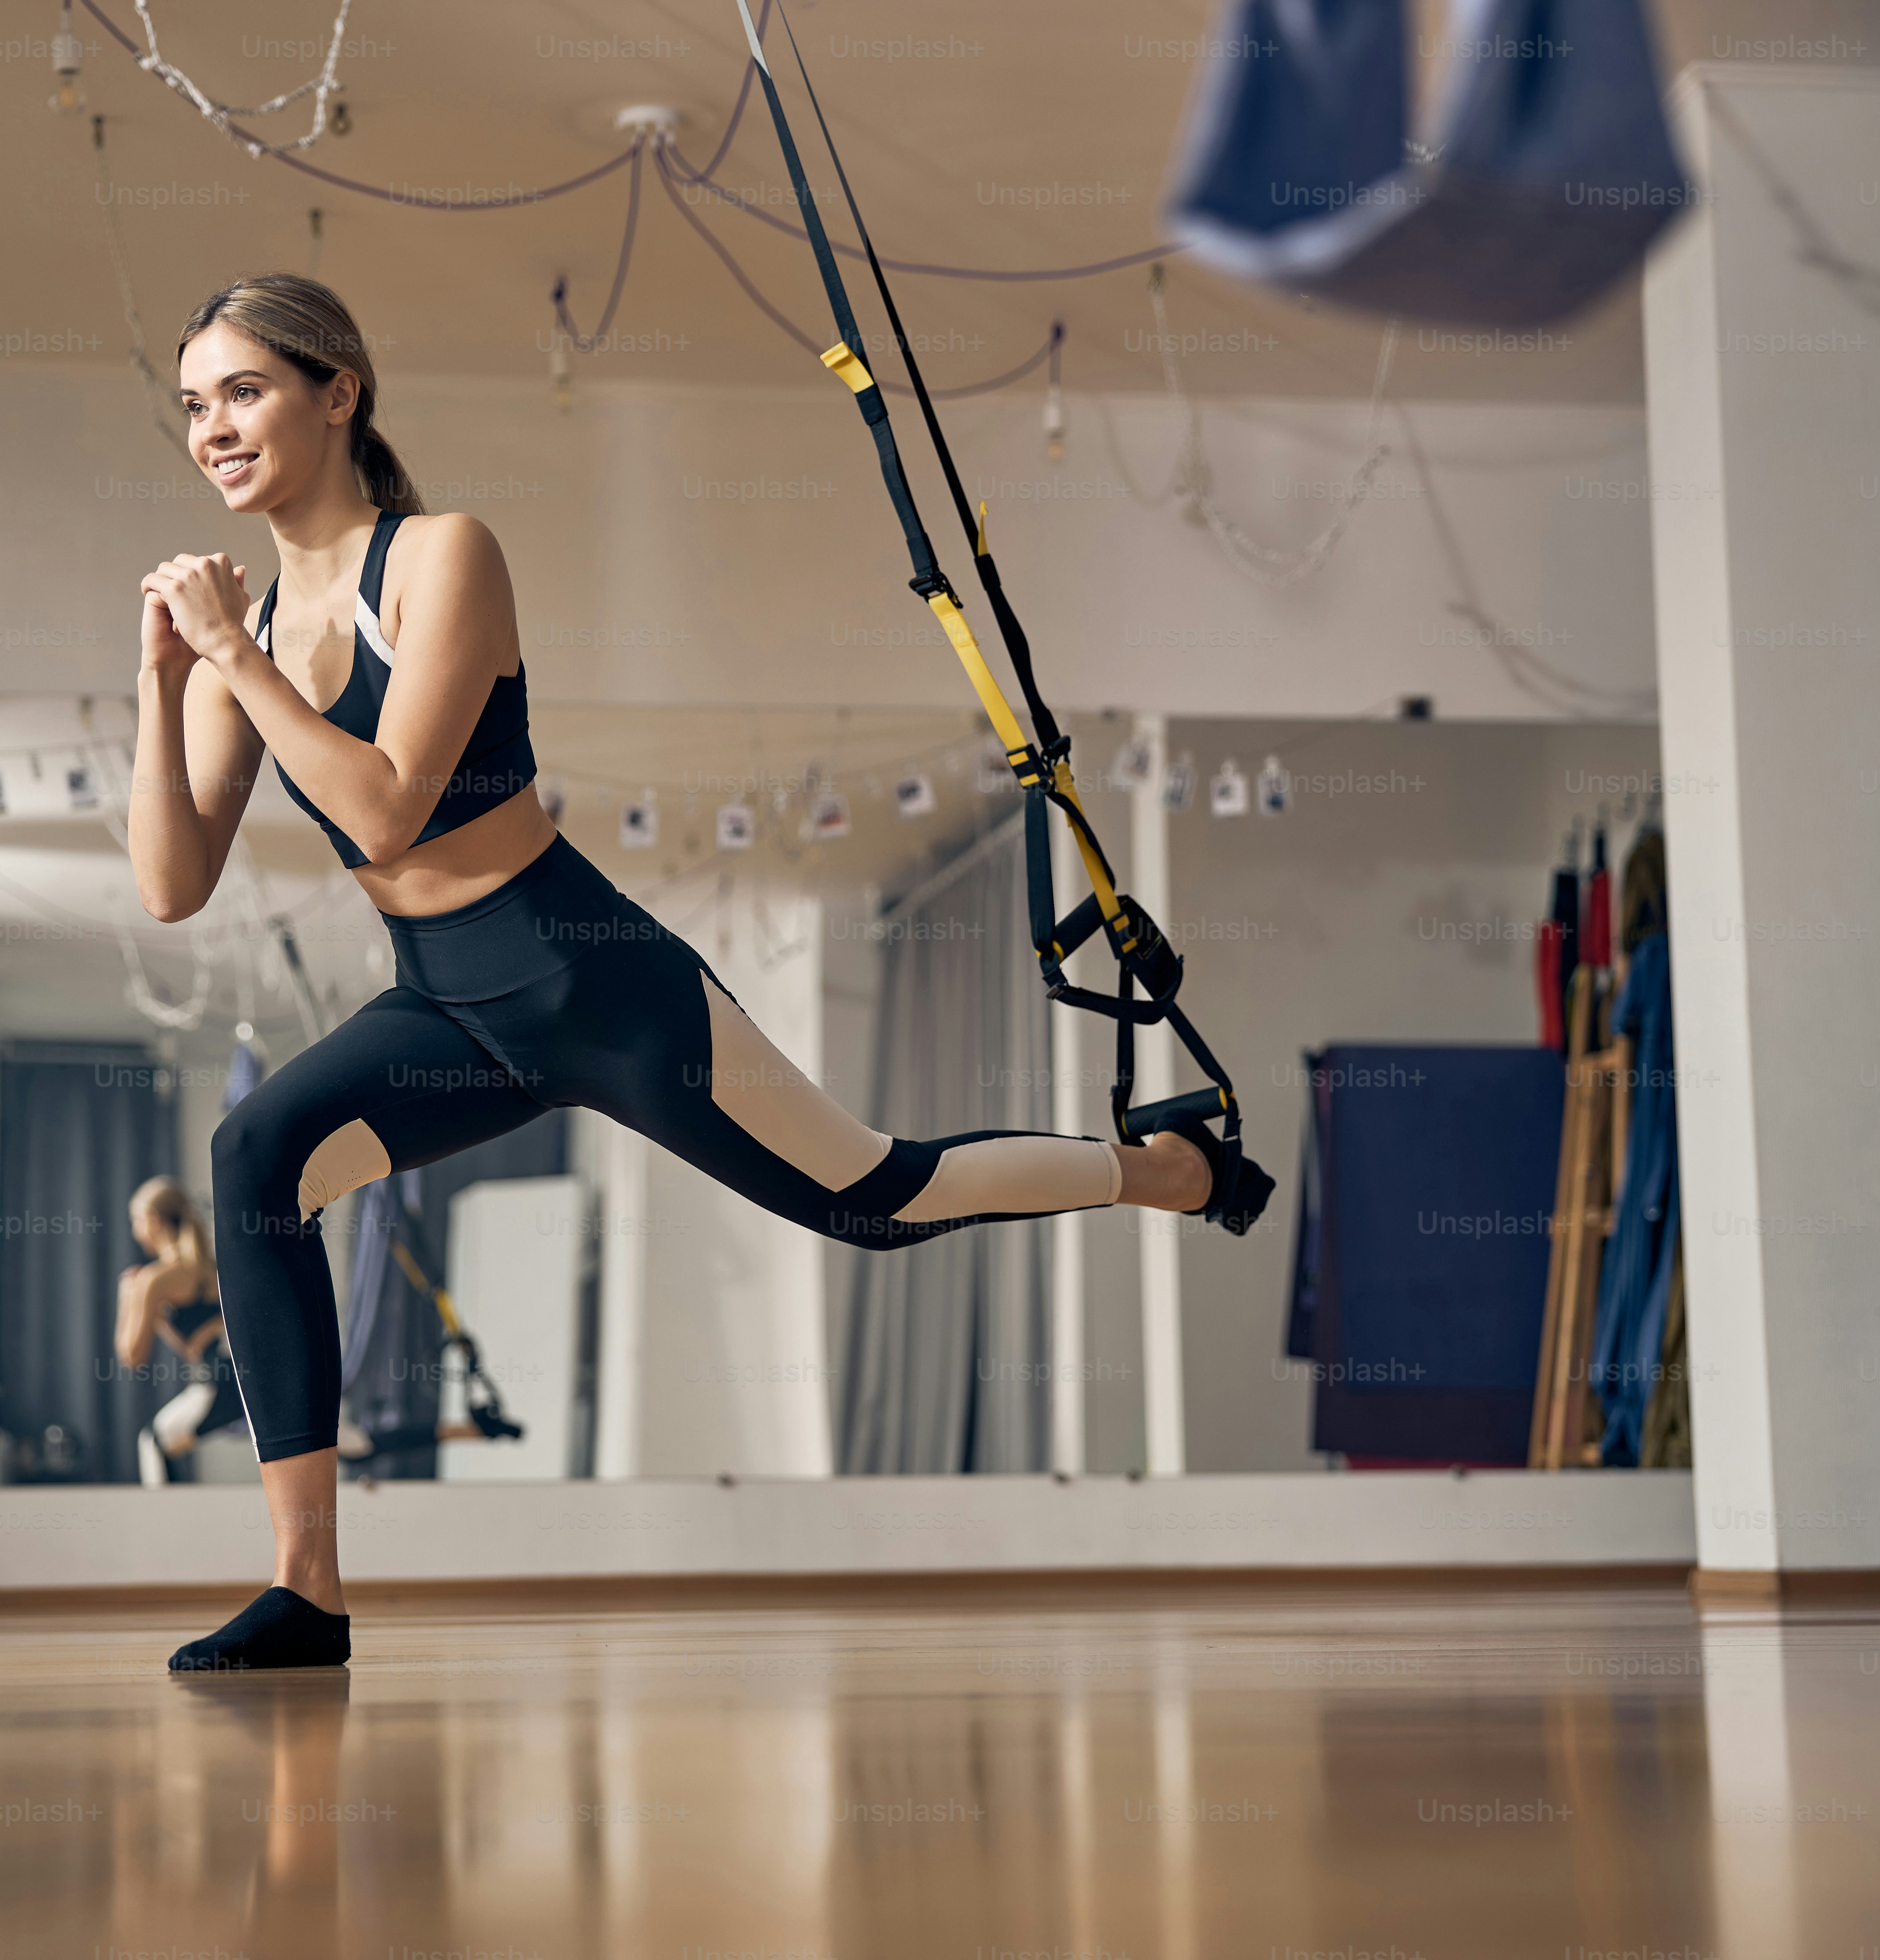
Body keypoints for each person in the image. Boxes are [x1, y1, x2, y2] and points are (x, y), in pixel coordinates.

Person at [130, 274, 1238, 1671]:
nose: (214, 430)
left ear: (337, 390)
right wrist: (164, 681)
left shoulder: (438, 559)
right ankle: (308, 1589)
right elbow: (171, 885)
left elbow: (388, 808)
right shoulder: (238, 647)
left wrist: (234, 654)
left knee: (878, 1198)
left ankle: (1161, 1171)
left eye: (243, 391)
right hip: (445, 1005)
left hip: (592, 983)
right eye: (194, 406)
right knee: (256, 1155)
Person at [109, 1175, 241, 1485]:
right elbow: (195, 1349)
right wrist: (161, 1320)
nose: (135, 1230)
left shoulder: (155, 1280)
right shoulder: (210, 1267)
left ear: (153, 1221)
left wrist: (127, 1298)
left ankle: (162, 1517)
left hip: (220, 1385)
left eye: (136, 1220)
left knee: (153, 1443)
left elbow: (132, 1357)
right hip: (247, 1378)